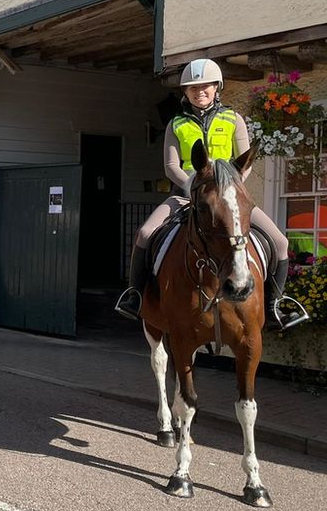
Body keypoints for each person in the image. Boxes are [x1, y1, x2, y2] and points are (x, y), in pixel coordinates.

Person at [115, 58, 308, 331]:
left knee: (279, 242)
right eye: (193, 88)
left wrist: (226, 189)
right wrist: (196, 188)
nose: (199, 91)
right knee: (145, 234)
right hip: (185, 195)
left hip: (229, 198)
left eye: (205, 86)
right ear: (185, 92)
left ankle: (275, 305)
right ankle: (134, 296)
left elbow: (245, 161)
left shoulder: (233, 119)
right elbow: (171, 166)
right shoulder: (176, 124)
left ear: (217, 87)